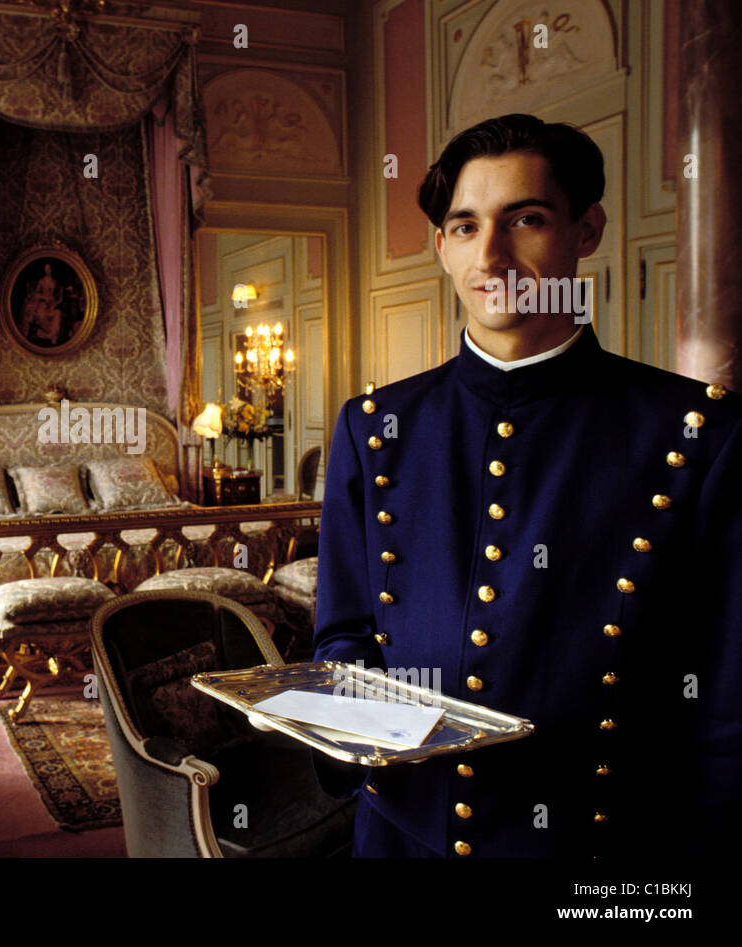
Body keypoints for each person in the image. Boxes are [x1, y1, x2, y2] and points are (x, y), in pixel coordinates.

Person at [311, 113, 742, 858]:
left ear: (587, 230)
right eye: (466, 226)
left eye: (527, 219)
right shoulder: (373, 424)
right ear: (442, 247)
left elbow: (727, 695)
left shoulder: (698, 431)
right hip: (401, 838)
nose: (494, 254)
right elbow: (346, 636)